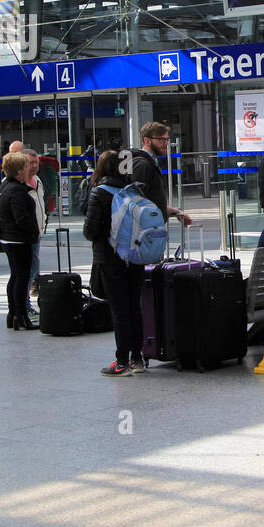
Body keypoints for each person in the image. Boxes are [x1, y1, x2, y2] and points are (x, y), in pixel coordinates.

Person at [83, 150, 145, 378]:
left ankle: (121, 362)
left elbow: (90, 232)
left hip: (110, 259)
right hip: (135, 257)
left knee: (119, 311)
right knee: (134, 308)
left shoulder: (99, 193)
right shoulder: (134, 190)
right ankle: (137, 358)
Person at [0, 152, 38, 330]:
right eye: (27, 165)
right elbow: (21, 218)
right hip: (18, 240)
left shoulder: (5, 187)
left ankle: (13, 314)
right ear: (19, 170)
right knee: (22, 278)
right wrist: (33, 231)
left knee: (15, 277)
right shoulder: (17, 191)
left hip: (8, 238)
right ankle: (20, 315)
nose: (30, 167)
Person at [129, 121, 192, 229]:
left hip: (148, 232)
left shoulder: (150, 163)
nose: (166, 143)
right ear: (146, 140)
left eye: (167, 139)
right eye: (161, 139)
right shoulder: (142, 165)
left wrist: (174, 211)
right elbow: (135, 202)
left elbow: (151, 201)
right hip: (141, 236)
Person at [23, 149, 48, 315]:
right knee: (27, 270)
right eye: (30, 162)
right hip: (25, 235)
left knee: (33, 268)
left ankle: (25, 303)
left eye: (36, 162)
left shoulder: (37, 180)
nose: (34, 166)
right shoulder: (18, 184)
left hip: (36, 231)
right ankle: (23, 305)